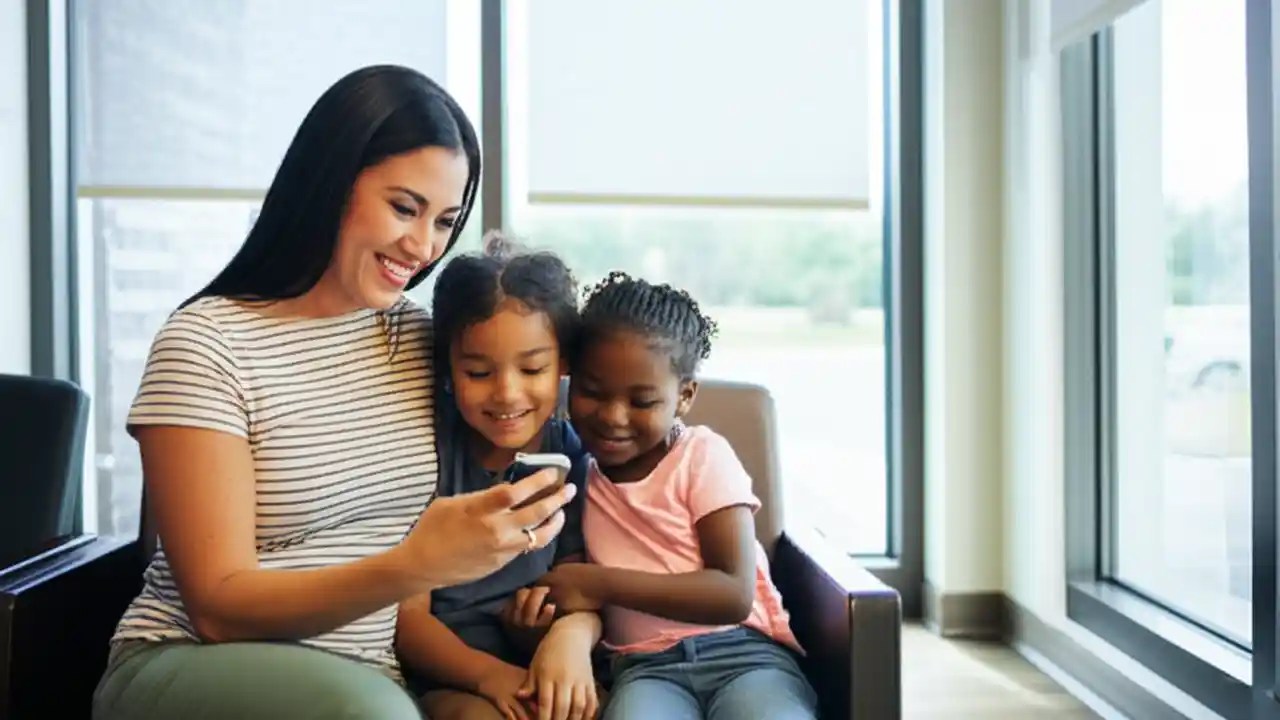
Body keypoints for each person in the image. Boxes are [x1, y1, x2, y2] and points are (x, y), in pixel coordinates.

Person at [91, 65, 575, 720]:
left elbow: (547, 394)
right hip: (193, 658)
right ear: (330, 182)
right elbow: (215, 607)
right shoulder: (207, 344)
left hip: (374, 672)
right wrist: (411, 566)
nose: (423, 245)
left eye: (444, 220)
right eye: (404, 207)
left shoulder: (422, 342)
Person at [536, 272, 819, 720]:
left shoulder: (702, 455)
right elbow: (567, 583)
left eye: (642, 401)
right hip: (644, 669)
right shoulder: (574, 469)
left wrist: (599, 581)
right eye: (592, 392)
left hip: (742, 655)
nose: (612, 416)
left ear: (684, 396)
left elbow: (732, 592)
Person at [397, 232, 601, 720]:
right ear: (448, 369)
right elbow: (408, 621)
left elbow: (581, 584)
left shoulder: (571, 452)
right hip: (454, 674)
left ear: (563, 365)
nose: (507, 394)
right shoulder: (432, 455)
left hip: (537, 663)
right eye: (479, 373)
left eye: (532, 369)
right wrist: (491, 676)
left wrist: (562, 634)